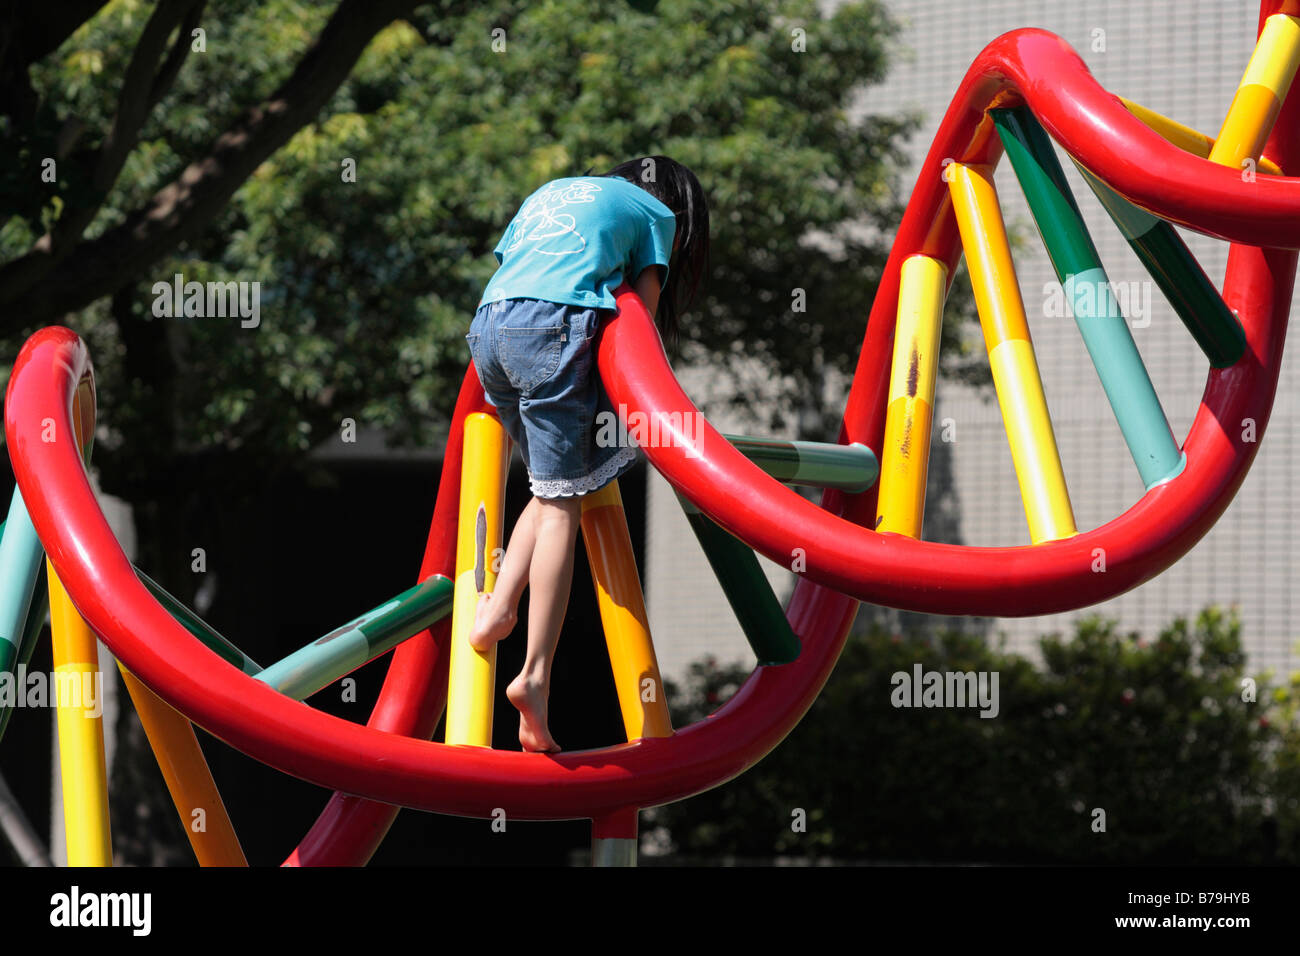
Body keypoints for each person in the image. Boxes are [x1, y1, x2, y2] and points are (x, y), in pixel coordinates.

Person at [463, 156, 710, 752]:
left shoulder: (552, 189)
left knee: (550, 491)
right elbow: (642, 318)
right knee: (564, 509)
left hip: (489, 330)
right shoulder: (655, 213)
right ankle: (535, 674)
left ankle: (497, 609)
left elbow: (515, 265)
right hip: (553, 327)